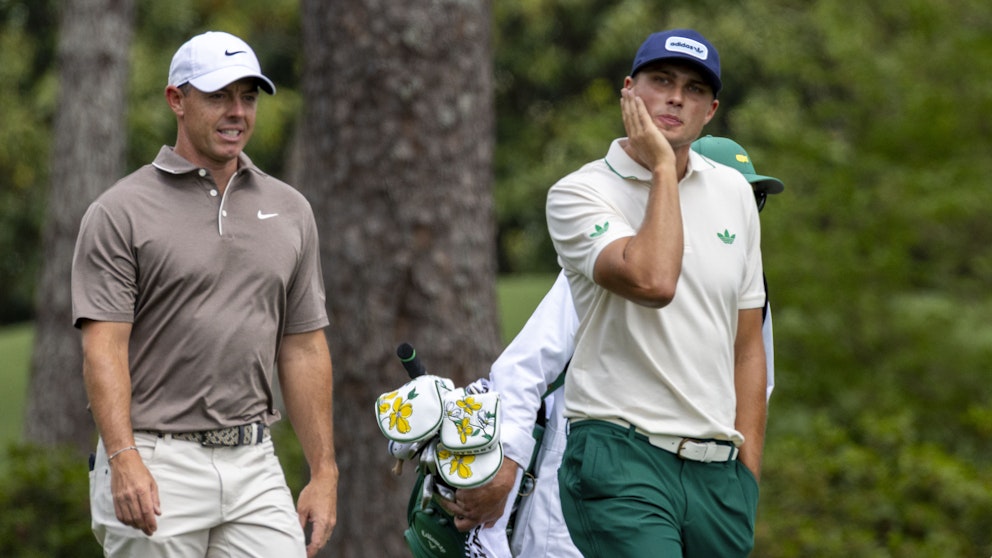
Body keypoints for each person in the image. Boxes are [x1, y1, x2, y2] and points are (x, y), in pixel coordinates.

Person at [450, 136, 784, 558]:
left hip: (702, 493)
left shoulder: (745, 285)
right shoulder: (616, 257)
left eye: (754, 199)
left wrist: (743, 487)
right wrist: (505, 466)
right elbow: (525, 367)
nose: (737, 208)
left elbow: (753, 385)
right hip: (591, 493)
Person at [71, 31, 338, 558]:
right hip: (155, 460)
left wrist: (323, 471)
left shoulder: (291, 210)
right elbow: (104, 348)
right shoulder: (119, 212)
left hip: (254, 461)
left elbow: (304, 347)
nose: (236, 112)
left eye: (248, 97)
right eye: (219, 96)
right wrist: (123, 456)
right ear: (177, 99)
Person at [546, 27, 765, 557]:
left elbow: (748, 345)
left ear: (710, 111)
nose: (676, 98)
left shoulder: (734, 192)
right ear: (629, 90)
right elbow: (653, 281)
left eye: (694, 89)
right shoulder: (579, 192)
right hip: (622, 454)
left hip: (718, 475)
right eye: (662, 81)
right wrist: (664, 168)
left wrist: (747, 476)